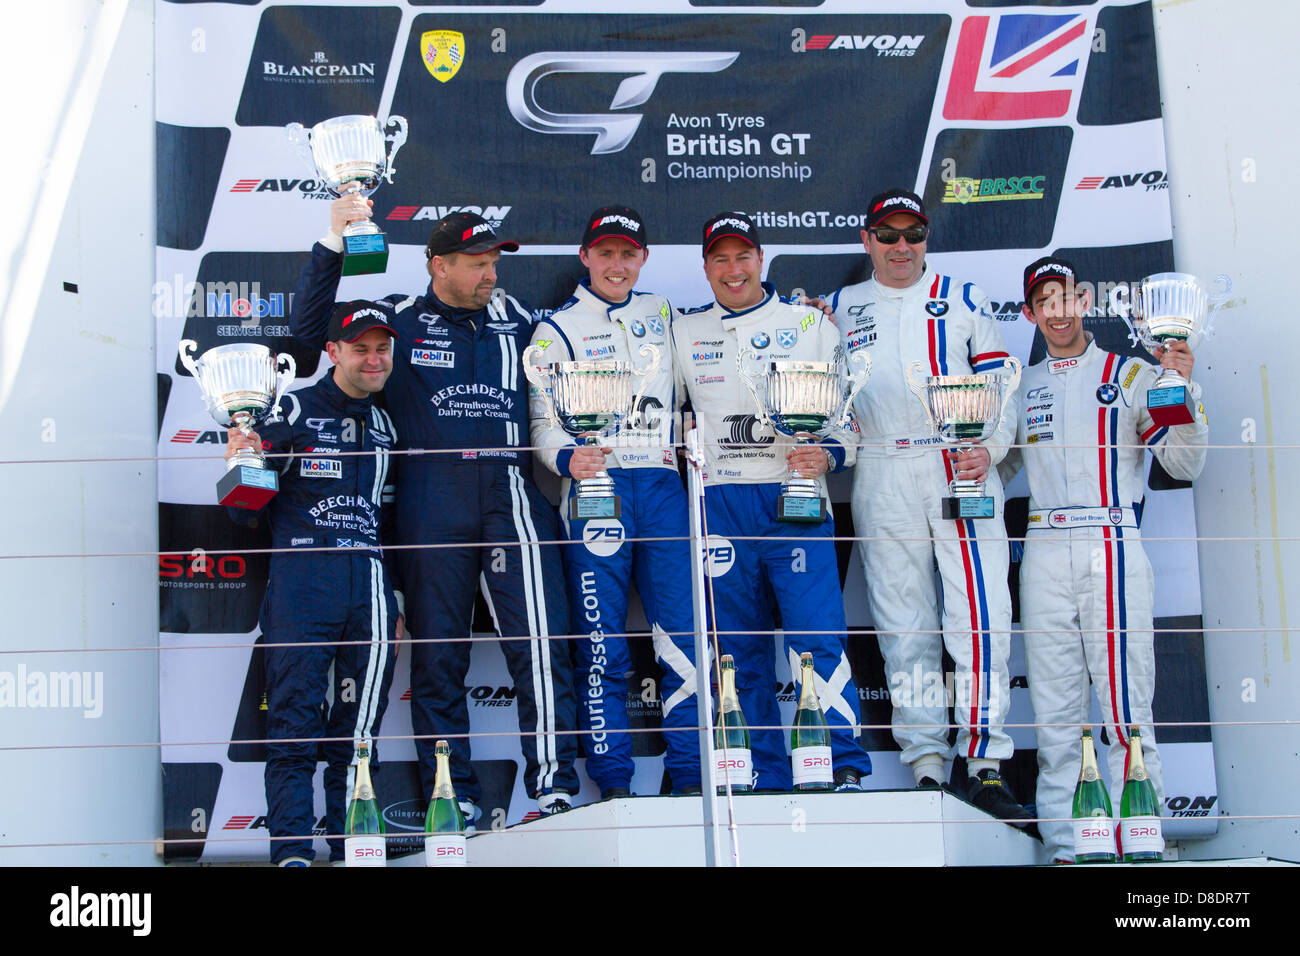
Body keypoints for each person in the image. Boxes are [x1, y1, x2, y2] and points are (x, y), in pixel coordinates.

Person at [290, 198, 579, 825]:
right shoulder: (394, 323)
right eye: (475, 262)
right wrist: (334, 243)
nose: (490, 273)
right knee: (439, 656)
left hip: (509, 491)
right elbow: (311, 334)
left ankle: (553, 787)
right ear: (436, 265)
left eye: (494, 260)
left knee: (539, 643)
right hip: (427, 498)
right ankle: (457, 796)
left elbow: (594, 351)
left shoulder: (521, 321)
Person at [825, 188, 1031, 823]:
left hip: (956, 464)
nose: (901, 247)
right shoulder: (839, 308)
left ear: (926, 239)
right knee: (903, 626)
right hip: (882, 466)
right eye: (887, 235)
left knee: (979, 618)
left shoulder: (966, 300)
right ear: (867, 241)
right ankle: (926, 766)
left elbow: (1001, 388)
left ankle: (986, 762)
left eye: (913, 234)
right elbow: (828, 401)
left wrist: (990, 450)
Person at [999, 256, 1208, 862]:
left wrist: (1183, 394)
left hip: (1112, 546)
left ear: (1084, 302)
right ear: (1031, 313)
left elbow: (1184, 464)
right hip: (1043, 549)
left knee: (1125, 705)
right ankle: (1070, 846)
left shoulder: (1136, 375)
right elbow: (996, 469)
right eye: (1044, 302)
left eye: (1066, 298)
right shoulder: (1022, 385)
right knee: (1056, 712)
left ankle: (1140, 841)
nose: (1057, 311)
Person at [672, 211, 873, 791]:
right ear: (706, 266)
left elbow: (848, 421)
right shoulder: (684, 333)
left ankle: (841, 769)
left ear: (761, 259)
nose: (733, 270)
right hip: (719, 501)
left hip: (796, 498)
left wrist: (829, 455)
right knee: (737, 652)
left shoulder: (810, 325)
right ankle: (759, 772)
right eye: (720, 259)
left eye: (743, 256)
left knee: (817, 641)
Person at [527, 205, 700, 797]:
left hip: (661, 485)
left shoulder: (665, 315)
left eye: (629, 253)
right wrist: (564, 458)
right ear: (585, 258)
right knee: (601, 645)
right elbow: (543, 422)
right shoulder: (556, 329)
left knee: (682, 638)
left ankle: (690, 775)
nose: (617, 264)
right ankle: (613, 782)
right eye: (606, 253)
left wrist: (806, 312)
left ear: (644, 258)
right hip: (595, 490)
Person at [226, 302, 400, 865]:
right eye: (360, 349)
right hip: (302, 583)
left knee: (359, 736)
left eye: (382, 349)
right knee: (293, 726)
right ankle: (292, 849)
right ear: (333, 353)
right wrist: (240, 467)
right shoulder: (290, 410)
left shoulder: (387, 424)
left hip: (369, 588)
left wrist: (395, 595)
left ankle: (352, 846)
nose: (373, 360)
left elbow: (395, 522)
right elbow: (242, 514)